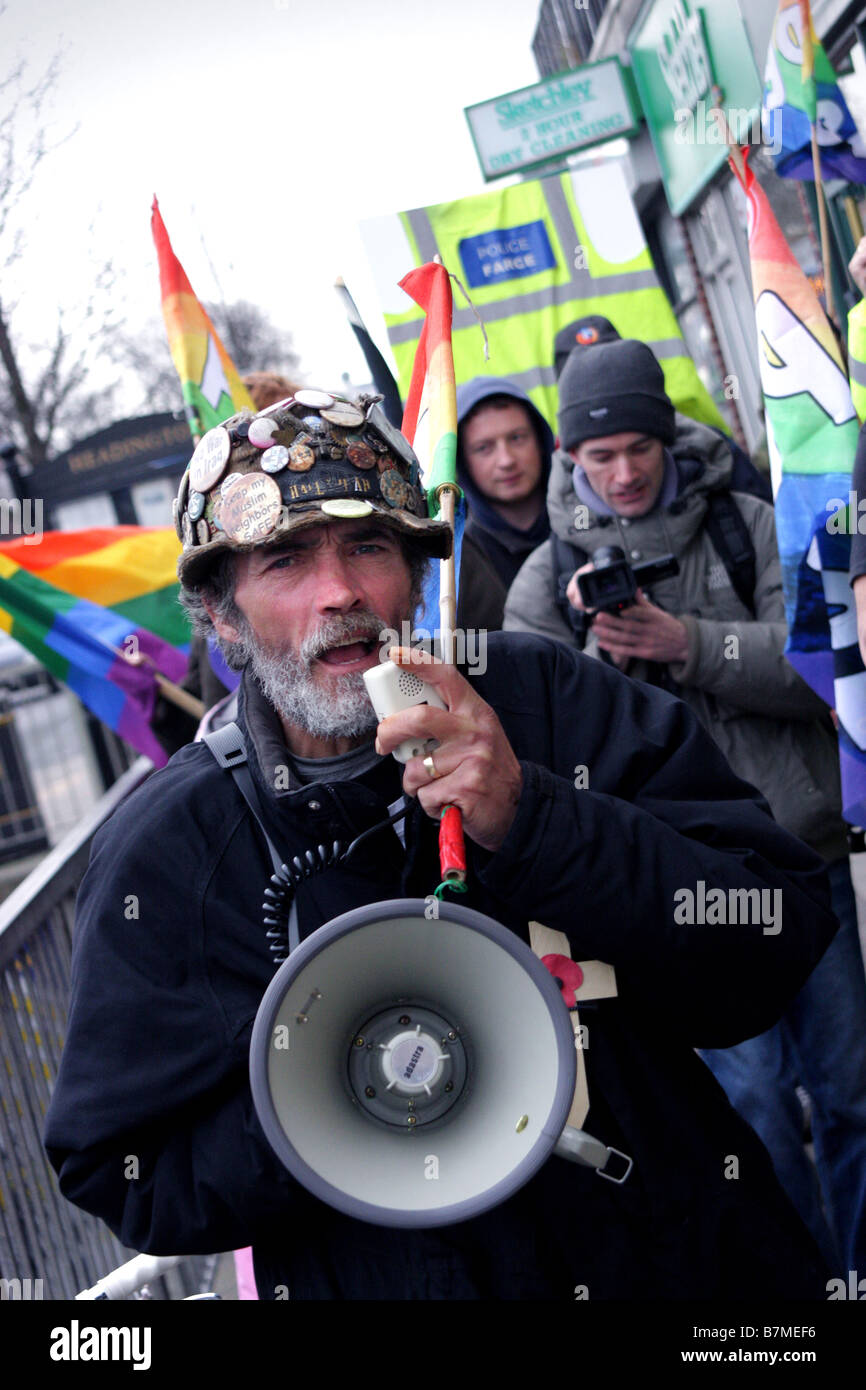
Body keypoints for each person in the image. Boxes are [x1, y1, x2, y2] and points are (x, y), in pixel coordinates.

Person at [44, 387, 838, 1301]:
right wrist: (334, 1105)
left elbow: (776, 933)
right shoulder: (172, 848)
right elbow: (120, 1169)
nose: (339, 592)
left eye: (369, 546)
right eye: (287, 560)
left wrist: (534, 819)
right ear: (222, 614)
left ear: (418, 575)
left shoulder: (547, 702)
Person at [505, 338, 866, 1275]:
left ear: (668, 438)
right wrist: (597, 663)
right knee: (751, 1116)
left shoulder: (749, 522)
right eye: (599, 456)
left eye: (639, 448)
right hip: (673, 891)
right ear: (570, 462)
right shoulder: (544, 584)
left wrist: (688, 643)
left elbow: (826, 668)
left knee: (855, 1093)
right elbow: (526, 751)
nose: (622, 474)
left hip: (805, 855)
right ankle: (806, 1285)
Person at [455, 378, 554, 628]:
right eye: (484, 448)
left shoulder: (581, 517)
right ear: (463, 461)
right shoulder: (458, 559)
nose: (506, 460)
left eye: (517, 438)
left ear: (541, 442)